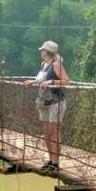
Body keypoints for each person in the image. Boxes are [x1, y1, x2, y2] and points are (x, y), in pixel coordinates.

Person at [22, 41, 69, 175]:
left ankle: (56, 163)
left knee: (54, 133)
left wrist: (51, 82)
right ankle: (50, 160)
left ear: (47, 52)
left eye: (42, 50)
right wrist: (33, 81)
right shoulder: (44, 65)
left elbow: (66, 81)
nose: (40, 52)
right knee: (47, 133)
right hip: (44, 102)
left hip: (56, 102)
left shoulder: (56, 64)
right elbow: (40, 79)